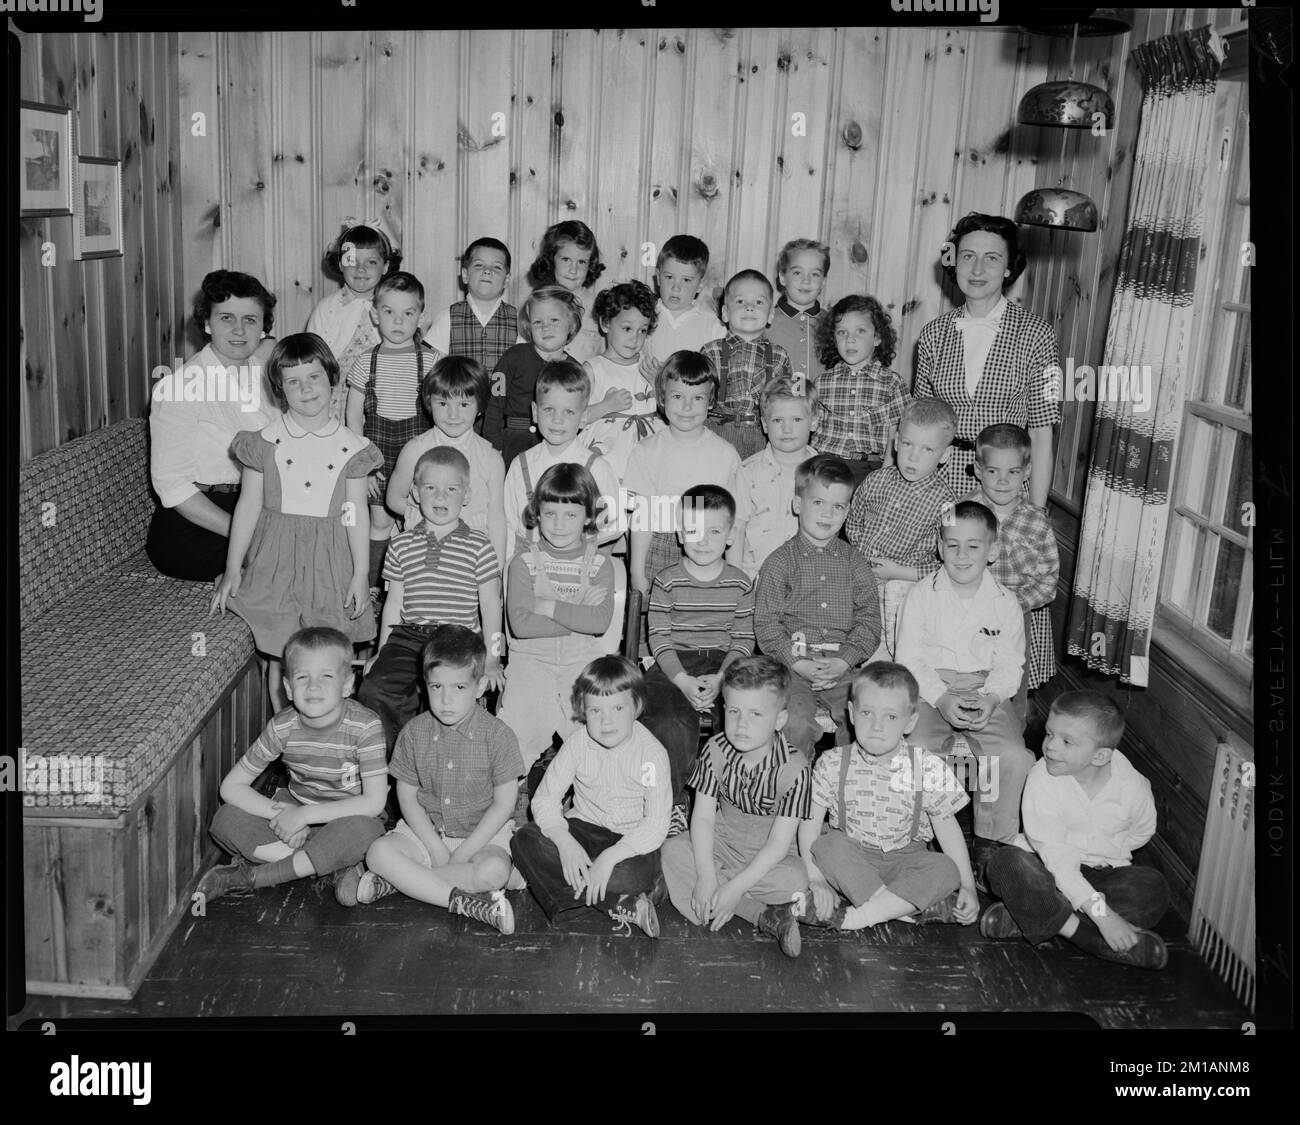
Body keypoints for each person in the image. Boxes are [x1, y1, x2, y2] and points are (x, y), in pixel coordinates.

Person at [211, 332, 380, 710]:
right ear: (279, 389)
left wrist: (359, 574)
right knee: (282, 659)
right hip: (276, 559)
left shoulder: (351, 446)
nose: (305, 389)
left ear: (331, 377)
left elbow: (355, 514)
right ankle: (287, 742)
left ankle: (326, 740)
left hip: (329, 561)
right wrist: (233, 566)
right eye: (293, 381)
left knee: (324, 656)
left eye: (314, 377)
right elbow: (248, 507)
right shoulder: (265, 441)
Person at [338, 625, 524, 934]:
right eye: (437, 687)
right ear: (425, 685)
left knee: (494, 871)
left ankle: (400, 883)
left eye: (459, 688)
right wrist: (436, 849)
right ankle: (468, 903)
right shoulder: (413, 733)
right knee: (378, 852)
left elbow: (504, 804)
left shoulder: (499, 736)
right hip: (424, 835)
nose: (446, 700)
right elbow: (407, 797)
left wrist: (464, 852)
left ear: (479, 687)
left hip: (481, 837)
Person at [980, 691, 1171, 970]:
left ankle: (1029, 915)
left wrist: (1101, 866)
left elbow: (1141, 833)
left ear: (1100, 755)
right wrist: (1103, 916)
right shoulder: (1042, 777)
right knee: (1005, 863)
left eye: (1067, 741)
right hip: (1044, 867)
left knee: (1154, 888)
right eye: (1049, 734)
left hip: (1101, 873)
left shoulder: (1134, 788)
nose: (1050, 747)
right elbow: (1056, 858)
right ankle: (1087, 938)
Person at [894, 500, 1034, 877]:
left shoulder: (1006, 603)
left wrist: (990, 698)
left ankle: (991, 847)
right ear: (939, 547)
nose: (961, 555)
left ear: (992, 551)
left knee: (1009, 756)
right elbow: (909, 657)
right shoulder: (921, 595)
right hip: (929, 687)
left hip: (986, 687)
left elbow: (1009, 664)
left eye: (973, 546)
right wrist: (940, 697)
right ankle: (914, 840)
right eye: (952, 544)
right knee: (915, 750)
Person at [197, 627, 387, 901]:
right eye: (302, 677)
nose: (313, 686)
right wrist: (283, 814)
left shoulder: (365, 726)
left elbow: (373, 803)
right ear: (288, 687)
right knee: (225, 820)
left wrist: (304, 819)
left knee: (364, 831)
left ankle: (256, 876)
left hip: (347, 817)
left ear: (347, 684)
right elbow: (231, 787)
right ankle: (330, 866)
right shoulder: (282, 727)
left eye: (326, 676)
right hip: (296, 808)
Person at [798, 662, 978, 930]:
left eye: (891, 717)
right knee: (826, 846)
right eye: (867, 713)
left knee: (946, 869)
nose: (877, 726)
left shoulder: (926, 766)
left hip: (906, 859)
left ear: (911, 722)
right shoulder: (833, 763)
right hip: (853, 860)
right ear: (852, 714)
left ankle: (857, 917)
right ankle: (902, 907)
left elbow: (948, 828)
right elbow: (809, 823)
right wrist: (815, 880)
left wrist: (968, 886)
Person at [660, 656, 813, 958]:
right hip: (723, 839)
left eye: (756, 714)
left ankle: (719, 893)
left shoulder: (796, 769)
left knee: (796, 880)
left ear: (780, 720)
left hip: (769, 851)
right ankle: (760, 914)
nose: (742, 725)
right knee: (673, 850)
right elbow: (702, 819)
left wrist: (731, 886)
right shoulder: (715, 749)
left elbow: (780, 843)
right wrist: (705, 874)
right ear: (723, 709)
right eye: (733, 711)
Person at [357, 446, 503, 754]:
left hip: (458, 640)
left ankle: (442, 765)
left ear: (466, 495)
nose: (440, 497)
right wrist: (381, 652)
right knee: (376, 690)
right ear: (415, 492)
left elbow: (491, 606)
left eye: (451, 489)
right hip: (409, 636)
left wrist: (492, 658)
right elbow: (394, 603)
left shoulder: (479, 545)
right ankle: (397, 763)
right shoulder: (401, 544)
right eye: (431, 488)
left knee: (447, 702)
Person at [510, 655, 670, 937]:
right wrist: (565, 842)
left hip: (629, 842)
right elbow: (546, 800)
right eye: (595, 711)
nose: (606, 721)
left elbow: (656, 825)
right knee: (524, 840)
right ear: (583, 709)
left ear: (636, 707)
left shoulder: (652, 755)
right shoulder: (577, 744)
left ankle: (578, 897)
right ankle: (615, 903)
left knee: (632, 875)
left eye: (618, 708)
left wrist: (609, 859)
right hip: (584, 829)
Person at [914, 212, 1060, 505]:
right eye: (967, 256)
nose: (977, 269)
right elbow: (921, 425)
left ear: (1009, 268)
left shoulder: (1039, 334)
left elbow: (1042, 432)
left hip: (1005, 487)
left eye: (992, 258)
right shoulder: (932, 334)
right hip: (939, 485)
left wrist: (1037, 512)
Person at [146, 269, 280, 581]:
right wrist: (244, 534)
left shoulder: (269, 375)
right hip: (197, 525)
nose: (239, 329)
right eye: (226, 318)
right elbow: (172, 487)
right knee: (283, 565)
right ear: (207, 322)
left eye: (250, 319)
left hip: (257, 505)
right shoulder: (179, 387)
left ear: (263, 327)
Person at [641, 484, 755, 837]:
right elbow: (658, 637)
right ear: (679, 532)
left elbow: (743, 638)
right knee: (668, 720)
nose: (702, 541)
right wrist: (683, 681)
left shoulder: (740, 583)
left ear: (731, 536)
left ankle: (730, 802)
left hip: (726, 664)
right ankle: (674, 803)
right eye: (693, 531)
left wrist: (722, 679)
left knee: (740, 717)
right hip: (674, 663)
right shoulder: (667, 580)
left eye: (714, 531)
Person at [754, 454, 881, 755]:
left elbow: (870, 622)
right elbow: (767, 626)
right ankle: (792, 791)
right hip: (791, 667)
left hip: (843, 667)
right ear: (798, 504)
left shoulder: (856, 563)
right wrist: (799, 664)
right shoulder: (778, 563)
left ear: (848, 510)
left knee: (866, 716)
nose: (828, 514)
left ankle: (850, 789)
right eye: (818, 503)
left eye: (838, 506)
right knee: (795, 722)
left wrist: (843, 661)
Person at [497, 463, 615, 774]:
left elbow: (599, 623)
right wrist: (578, 613)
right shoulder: (522, 563)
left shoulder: (601, 563)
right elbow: (521, 626)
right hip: (530, 664)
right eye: (550, 514)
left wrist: (547, 605)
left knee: (595, 735)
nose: (559, 524)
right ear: (537, 513)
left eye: (571, 515)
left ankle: (588, 804)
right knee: (516, 730)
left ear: (588, 516)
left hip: (582, 664)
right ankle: (510, 799)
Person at [343, 271, 442, 597]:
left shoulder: (429, 361)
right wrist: (364, 463)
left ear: (421, 317)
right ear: (375, 314)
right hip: (379, 453)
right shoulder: (364, 362)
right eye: (389, 312)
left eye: (408, 313)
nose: (398, 321)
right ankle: (373, 587)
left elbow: (441, 412)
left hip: (419, 454)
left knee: (418, 521)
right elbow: (354, 416)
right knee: (381, 521)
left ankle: (418, 588)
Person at [625, 350, 741, 598]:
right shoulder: (646, 451)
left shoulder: (725, 454)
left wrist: (735, 573)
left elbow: (735, 521)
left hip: (708, 550)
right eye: (677, 396)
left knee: (700, 628)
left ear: (710, 401)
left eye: (698, 397)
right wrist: (636, 572)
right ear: (662, 398)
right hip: (658, 548)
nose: (687, 407)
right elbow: (641, 518)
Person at [961, 423, 1060, 704]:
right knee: (966, 681)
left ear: (1026, 472)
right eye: (993, 471)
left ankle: (1012, 736)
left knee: (1013, 693)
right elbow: (941, 560)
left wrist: (1009, 605)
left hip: (1017, 618)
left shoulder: (1037, 522)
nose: (1003, 481)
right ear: (979, 471)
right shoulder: (957, 511)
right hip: (966, 615)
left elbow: (1048, 583)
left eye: (1013, 472)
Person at [386, 355, 507, 568]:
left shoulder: (491, 458)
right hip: (422, 553)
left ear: (480, 405)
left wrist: (496, 570)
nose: (453, 414)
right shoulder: (416, 449)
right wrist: (421, 514)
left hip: (470, 558)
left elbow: (497, 517)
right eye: (443, 403)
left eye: (463, 404)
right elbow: (394, 498)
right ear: (429, 403)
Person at [502, 359, 622, 560]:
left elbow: (614, 524)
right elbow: (509, 524)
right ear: (535, 412)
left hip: (579, 567)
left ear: (584, 417)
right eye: (549, 410)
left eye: (569, 411)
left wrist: (579, 542)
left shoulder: (596, 468)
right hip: (529, 566)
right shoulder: (521, 464)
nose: (558, 420)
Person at [845, 397, 958, 583]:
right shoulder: (875, 480)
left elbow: (951, 559)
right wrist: (860, 556)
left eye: (927, 449)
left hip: (909, 586)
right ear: (897, 442)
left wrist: (900, 573)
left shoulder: (948, 505)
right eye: (907, 444)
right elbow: (854, 521)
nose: (913, 457)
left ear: (945, 454)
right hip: (860, 576)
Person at [305, 217, 407, 421]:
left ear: (385, 266)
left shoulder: (394, 307)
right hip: (337, 402)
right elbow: (310, 361)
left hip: (381, 400)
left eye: (371, 262)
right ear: (341, 265)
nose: (361, 270)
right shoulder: (327, 309)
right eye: (351, 261)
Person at [728, 376, 820, 580]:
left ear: (813, 421)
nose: (787, 429)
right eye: (778, 420)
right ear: (764, 424)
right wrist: (736, 582)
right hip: (756, 579)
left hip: (809, 583)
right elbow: (737, 529)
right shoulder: (747, 472)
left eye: (796, 419)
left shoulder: (825, 474)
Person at [483, 285, 583, 470]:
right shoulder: (513, 357)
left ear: (571, 325)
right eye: (538, 322)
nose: (546, 327)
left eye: (554, 320)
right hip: (513, 442)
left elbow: (578, 413)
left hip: (557, 444)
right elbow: (494, 402)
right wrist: (492, 445)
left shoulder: (574, 369)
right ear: (528, 326)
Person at [812, 294, 907, 490]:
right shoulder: (822, 383)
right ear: (833, 338)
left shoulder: (892, 384)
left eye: (860, 331)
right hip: (825, 464)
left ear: (878, 338)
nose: (850, 340)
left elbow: (896, 433)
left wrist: (885, 472)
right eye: (842, 332)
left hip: (870, 469)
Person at [701, 270, 793, 460]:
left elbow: (788, 403)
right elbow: (698, 398)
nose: (749, 307)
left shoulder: (780, 355)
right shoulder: (710, 352)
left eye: (759, 302)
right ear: (725, 313)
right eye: (740, 301)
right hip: (716, 434)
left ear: (770, 315)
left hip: (763, 437)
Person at [580, 280, 662, 480]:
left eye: (642, 330)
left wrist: (659, 385)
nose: (635, 338)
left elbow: (673, 412)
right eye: (627, 328)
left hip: (649, 458)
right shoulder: (593, 369)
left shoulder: (650, 367)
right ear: (605, 324)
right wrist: (605, 406)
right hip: (608, 460)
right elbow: (575, 417)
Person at [423, 238, 518, 403]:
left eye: (496, 267)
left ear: (507, 280)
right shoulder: (448, 317)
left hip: (504, 412)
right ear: (465, 275)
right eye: (479, 265)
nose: (487, 271)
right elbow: (429, 367)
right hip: (459, 409)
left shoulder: (518, 320)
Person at [524, 220, 606, 363]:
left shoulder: (600, 306)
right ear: (552, 259)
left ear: (590, 264)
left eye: (581, 262)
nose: (573, 270)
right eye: (566, 259)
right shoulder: (539, 302)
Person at [642, 234, 725, 374]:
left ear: (700, 285)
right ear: (658, 277)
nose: (676, 287)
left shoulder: (712, 326)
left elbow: (716, 374)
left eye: (686, 280)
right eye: (669, 277)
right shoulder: (643, 314)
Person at [767, 237, 831, 388]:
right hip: (778, 407)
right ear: (782, 277)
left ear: (823, 281)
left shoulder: (833, 323)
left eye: (815, 274)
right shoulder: (766, 321)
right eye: (797, 272)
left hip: (821, 408)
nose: (806, 281)